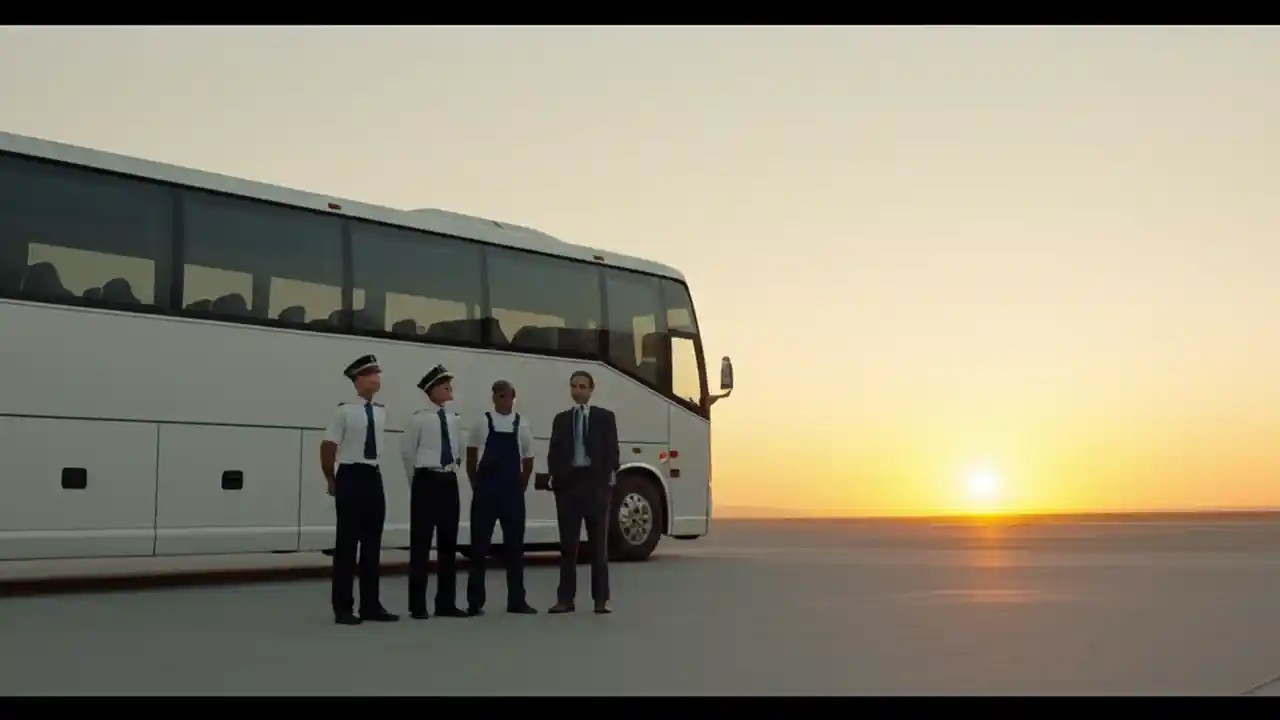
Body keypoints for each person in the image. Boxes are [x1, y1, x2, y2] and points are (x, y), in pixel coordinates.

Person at [321, 353, 399, 626]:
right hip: (351, 475)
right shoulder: (344, 411)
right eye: (371, 374)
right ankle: (343, 607)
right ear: (358, 379)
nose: (377, 379)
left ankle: (370, 605)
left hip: (372, 475)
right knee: (346, 544)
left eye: (377, 374)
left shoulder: (380, 411)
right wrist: (331, 478)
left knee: (372, 545)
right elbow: (328, 446)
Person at [546, 369, 619, 614]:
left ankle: (601, 599)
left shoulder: (604, 417)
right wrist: (558, 478)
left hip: (595, 485)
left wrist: (604, 478)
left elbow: (612, 450)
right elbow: (554, 451)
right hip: (569, 486)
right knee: (568, 546)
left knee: (598, 546)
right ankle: (565, 599)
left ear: (591, 389)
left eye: (582, 386)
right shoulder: (561, 419)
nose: (577, 390)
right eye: (573, 386)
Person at [400, 364, 468, 620]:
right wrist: (416, 482)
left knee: (448, 543)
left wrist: (452, 469)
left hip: (447, 479)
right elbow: (408, 453)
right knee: (421, 543)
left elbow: (459, 450)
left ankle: (446, 602)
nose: (449, 387)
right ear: (431, 390)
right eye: (443, 384)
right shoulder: (418, 419)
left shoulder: (454, 419)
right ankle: (417, 604)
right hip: (426, 479)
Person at [465, 379, 538, 616]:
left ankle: (517, 600)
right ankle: (475, 601)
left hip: (511, 493)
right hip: (486, 492)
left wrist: (520, 484)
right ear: (493, 397)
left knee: (515, 548)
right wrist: (476, 484)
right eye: (499, 395)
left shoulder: (522, 424)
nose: (503, 400)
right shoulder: (482, 422)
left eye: (507, 395)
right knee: (479, 547)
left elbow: (528, 458)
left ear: (513, 397)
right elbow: (471, 455)